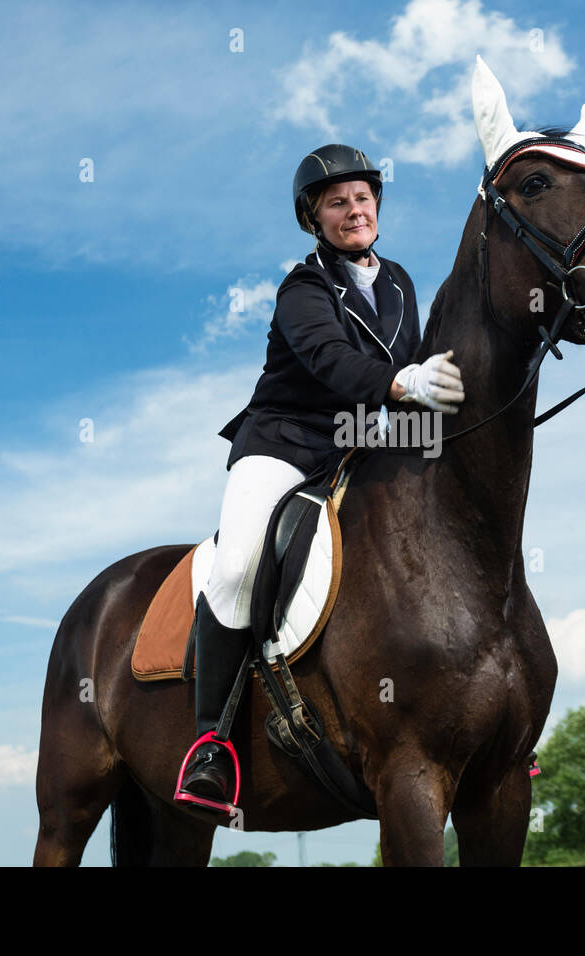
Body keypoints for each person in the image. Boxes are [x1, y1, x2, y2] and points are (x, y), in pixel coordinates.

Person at [174, 144, 467, 812]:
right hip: (286, 439)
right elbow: (333, 363)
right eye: (337, 202)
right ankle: (211, 746)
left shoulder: (398, 281)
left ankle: (477, 715)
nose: (353, 210)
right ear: (314, 217)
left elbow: (417, 367)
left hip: (362, 439)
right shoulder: (301, 287)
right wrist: (405, 381)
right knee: (237, 566)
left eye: (362, 198)